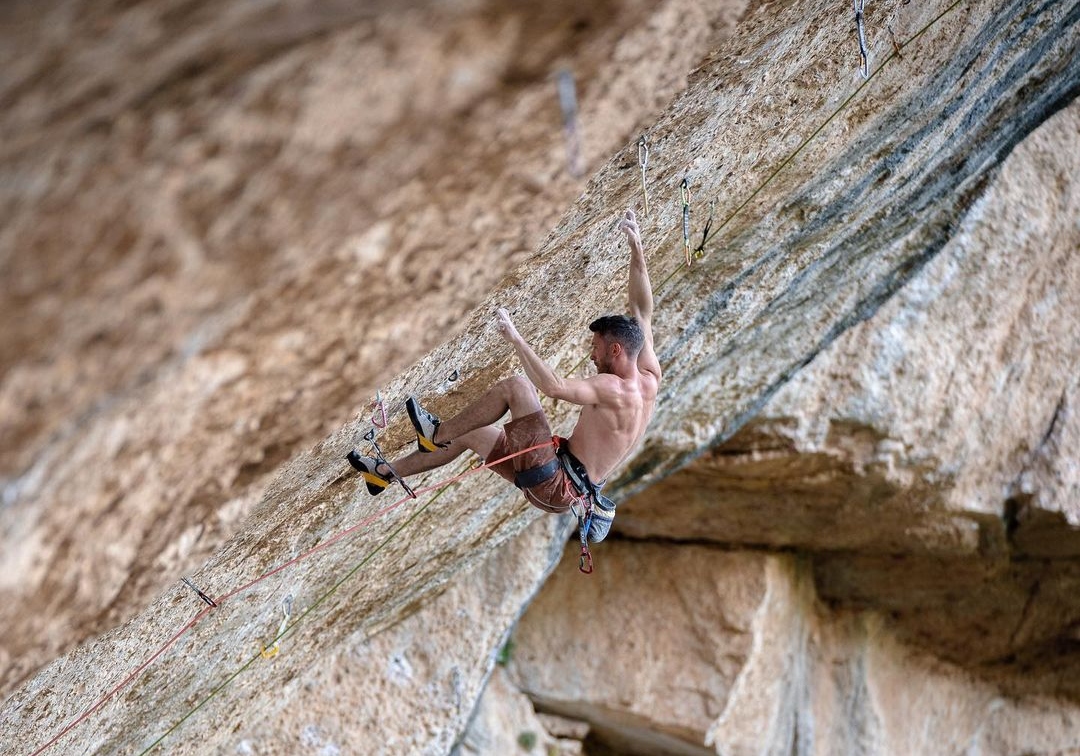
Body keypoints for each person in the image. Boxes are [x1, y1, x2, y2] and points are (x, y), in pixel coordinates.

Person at [347, 209, 661, 541]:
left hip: (555, 482)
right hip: (558, 485)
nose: (591, 354)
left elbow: (552, 387)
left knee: (519, 388)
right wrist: (637, 250)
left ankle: (434, 435)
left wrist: (515, 338)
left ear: (615, 351)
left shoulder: (613, 388)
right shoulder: (648, 376)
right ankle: (382, 473)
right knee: (472, 433)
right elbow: (643, 311)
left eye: (596, 347)